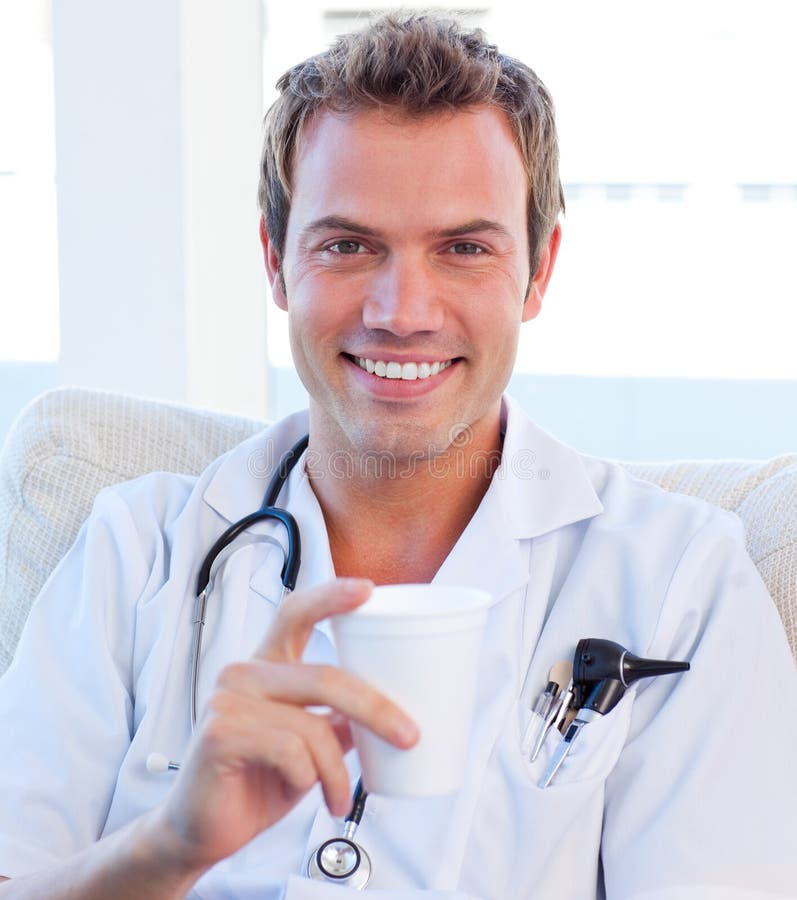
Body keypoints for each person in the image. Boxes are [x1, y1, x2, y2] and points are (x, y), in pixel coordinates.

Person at [0, 11, 796, 899]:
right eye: (347, 245)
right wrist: (168, 847)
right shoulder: (133, 549)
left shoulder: (679, 583)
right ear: (275, 262)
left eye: (463, 249)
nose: (402, 312)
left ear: (537, 271)